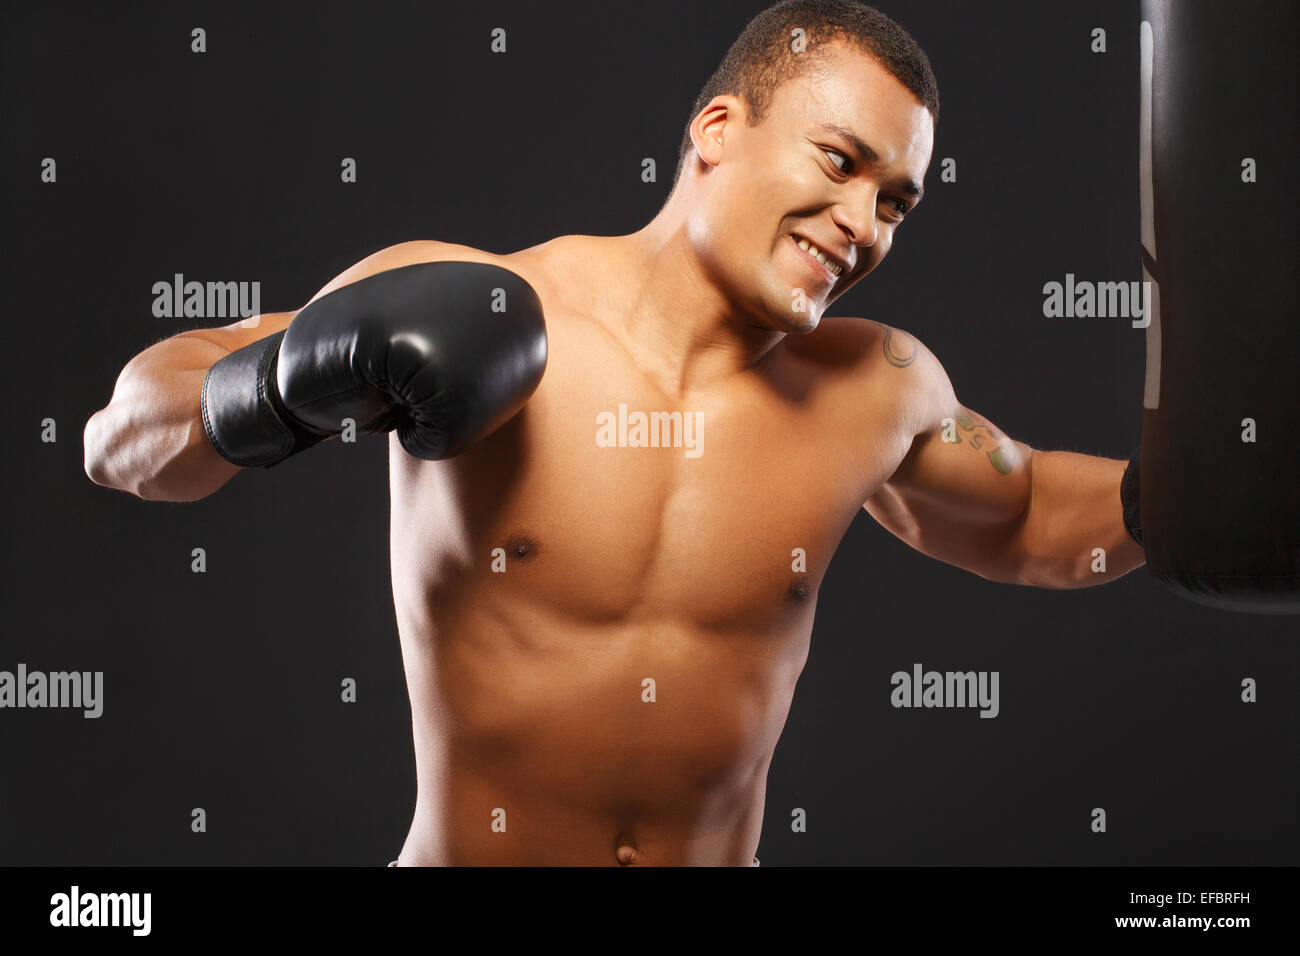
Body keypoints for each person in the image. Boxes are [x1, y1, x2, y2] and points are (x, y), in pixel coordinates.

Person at [82, 0, 1144, 866]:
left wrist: (1231, 473)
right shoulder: (490, 308)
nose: (863, 224)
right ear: (719, 129)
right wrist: (275, 384)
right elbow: (122, 438)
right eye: (837, 161)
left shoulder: (877, 384)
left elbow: (1036, 515)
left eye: (896, 202)